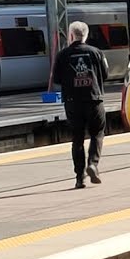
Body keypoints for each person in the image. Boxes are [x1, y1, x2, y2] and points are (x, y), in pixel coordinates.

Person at [53, 21, 109, 189]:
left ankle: (79, 178)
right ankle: (93, 164)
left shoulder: (62, 55)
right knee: (97, 134)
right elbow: (105, 74)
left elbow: (56, 79)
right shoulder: (96, 52)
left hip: (72, 103)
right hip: (94, 99)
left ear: (71, 36)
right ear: (86, 35)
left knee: (77, 139)